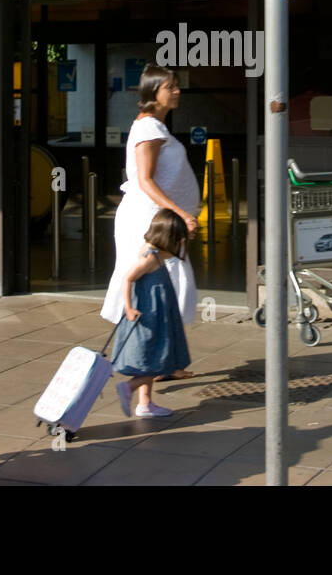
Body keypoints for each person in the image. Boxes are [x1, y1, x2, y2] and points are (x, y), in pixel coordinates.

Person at [101, 64, 199, 379]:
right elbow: (145, 180)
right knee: (155, 289)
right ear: (153, 92)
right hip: (149, 222)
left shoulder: (156, 127)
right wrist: (182, 213)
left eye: (177, 85)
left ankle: (166, 362)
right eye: (170, 86)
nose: (177, 91)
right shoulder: (149, 129)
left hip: (156, 221)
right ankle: (149, 364)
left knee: (166, 289)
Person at [111, 209, 193, 418]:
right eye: (180, 239)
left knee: (150, 359)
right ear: (169, 239)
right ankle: (129, 388)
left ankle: (145, 403)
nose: (183, 242)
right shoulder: (150, 258)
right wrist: (129, 308)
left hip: (157, 315)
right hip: (149, 317)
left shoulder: (156, 254)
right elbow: (127, 278)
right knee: (158, 360)